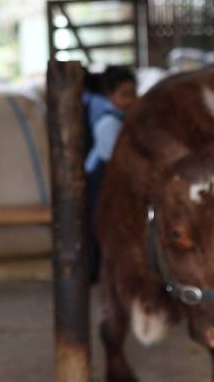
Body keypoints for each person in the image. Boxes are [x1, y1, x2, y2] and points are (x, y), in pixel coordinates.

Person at [83, 66, 137, 282]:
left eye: (133, 94)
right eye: (124, 94)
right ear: (109, 95)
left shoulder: (124, 117)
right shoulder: (109, 122)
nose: (130, 100)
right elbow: (111, 156)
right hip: (104, 174)